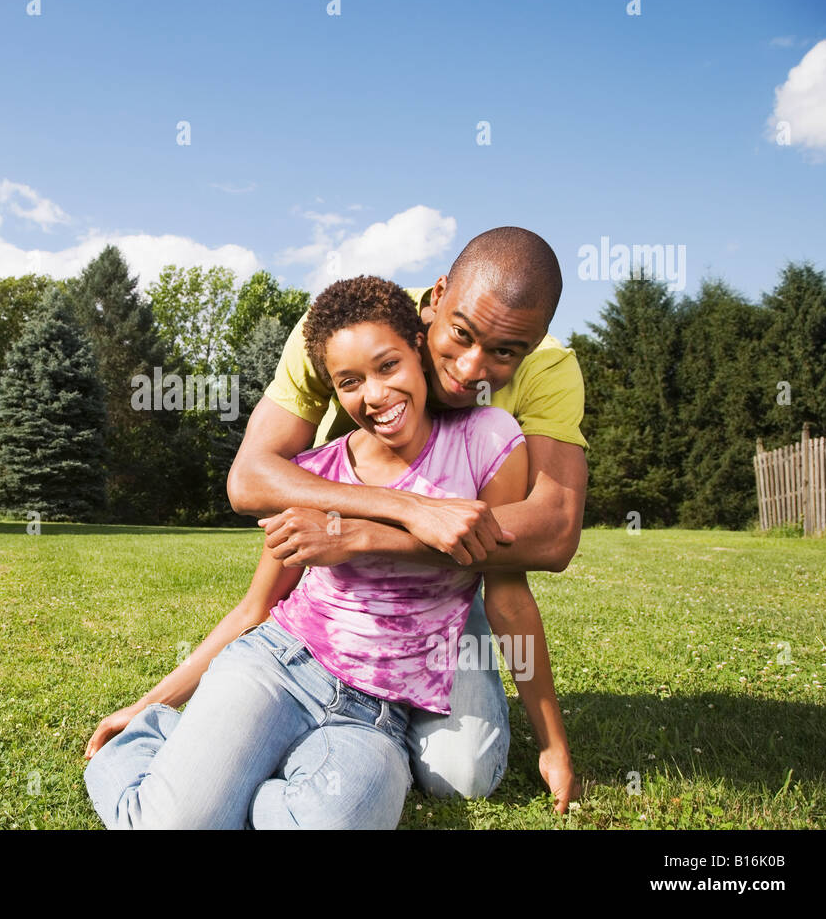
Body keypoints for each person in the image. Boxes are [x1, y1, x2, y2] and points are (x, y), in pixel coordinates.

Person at [87, 226, 588, 805]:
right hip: (312, 622)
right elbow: (251, 499)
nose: (472, 368)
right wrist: (402, 512)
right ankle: (208, 753)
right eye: (460, 334)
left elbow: (544, 542)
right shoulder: (350, 331)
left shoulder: (504, 422)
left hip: (450, 586)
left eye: (505, 352)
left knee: (462, 777)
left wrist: (366, 536)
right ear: (436, 299)